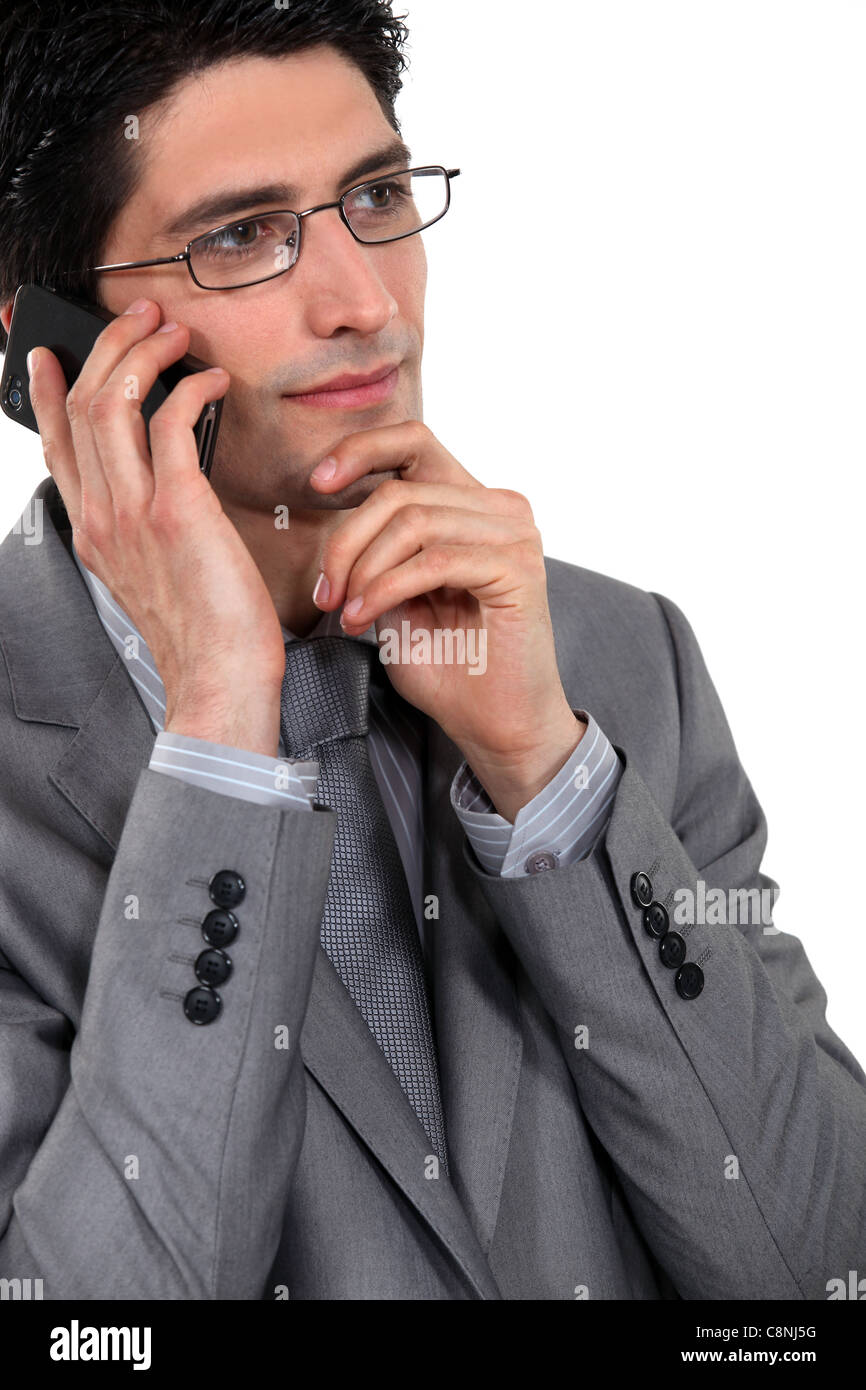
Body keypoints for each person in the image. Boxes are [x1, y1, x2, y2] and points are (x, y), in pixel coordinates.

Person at [0, 0, 863, 1302]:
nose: (363, 301)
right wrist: (223, 731)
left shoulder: (615, 661)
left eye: (377, 195)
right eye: (243, 236)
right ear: (44, 347)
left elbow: (816, 1269)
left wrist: (544, 769)